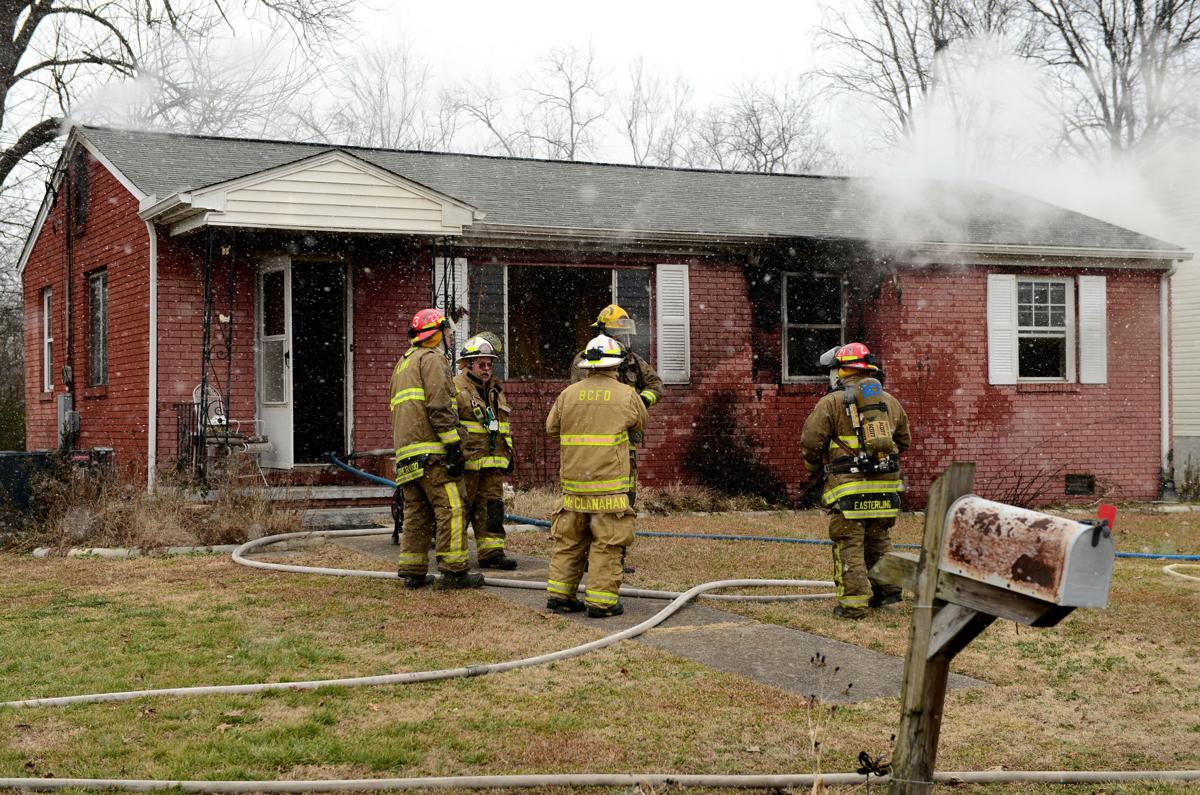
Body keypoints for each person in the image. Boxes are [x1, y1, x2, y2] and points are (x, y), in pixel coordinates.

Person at [800, 342, 911, 619]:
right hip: (886, 487)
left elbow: (811, 442)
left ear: (841, 371)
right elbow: (904, 441)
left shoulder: (831, 402)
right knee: (880, 541)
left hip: (849, 488)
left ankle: (853, 605)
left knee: (849, 544)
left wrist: (813, 467)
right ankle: (888, 594)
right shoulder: (889, 402)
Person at [546, 334, 648, 618]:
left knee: (569, 542)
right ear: (616, 365)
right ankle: (601, 603)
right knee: (607, 544)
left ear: (588, 365)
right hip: (609, 487)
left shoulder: (569, 394)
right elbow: (640, 424)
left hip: (574, 487)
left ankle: (560, 597)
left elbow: (551, 429)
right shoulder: (626, 395)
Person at [390, 308, 484, 590]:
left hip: (407, 455)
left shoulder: (403, 364)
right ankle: (454, 571)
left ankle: (413, 570)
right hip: (433, 453)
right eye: (448, 333)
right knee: (452, 507)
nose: (451, 338)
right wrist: (453, 444)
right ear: (435, 335)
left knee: (416, 512)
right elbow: (439, 405)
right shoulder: (433, 359)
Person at [453, 332, 519, 570]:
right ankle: (454, 557)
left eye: (489, 364)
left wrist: (509, 454)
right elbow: (449, 424)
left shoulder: (495, 390)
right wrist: (453, 454)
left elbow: (503, 426)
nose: (487, 369)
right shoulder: (455, 388)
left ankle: (492, 553)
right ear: (468, 364)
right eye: (481, 364)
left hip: (493, 463)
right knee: (461, 510)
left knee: (492, 509)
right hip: (467, 463)